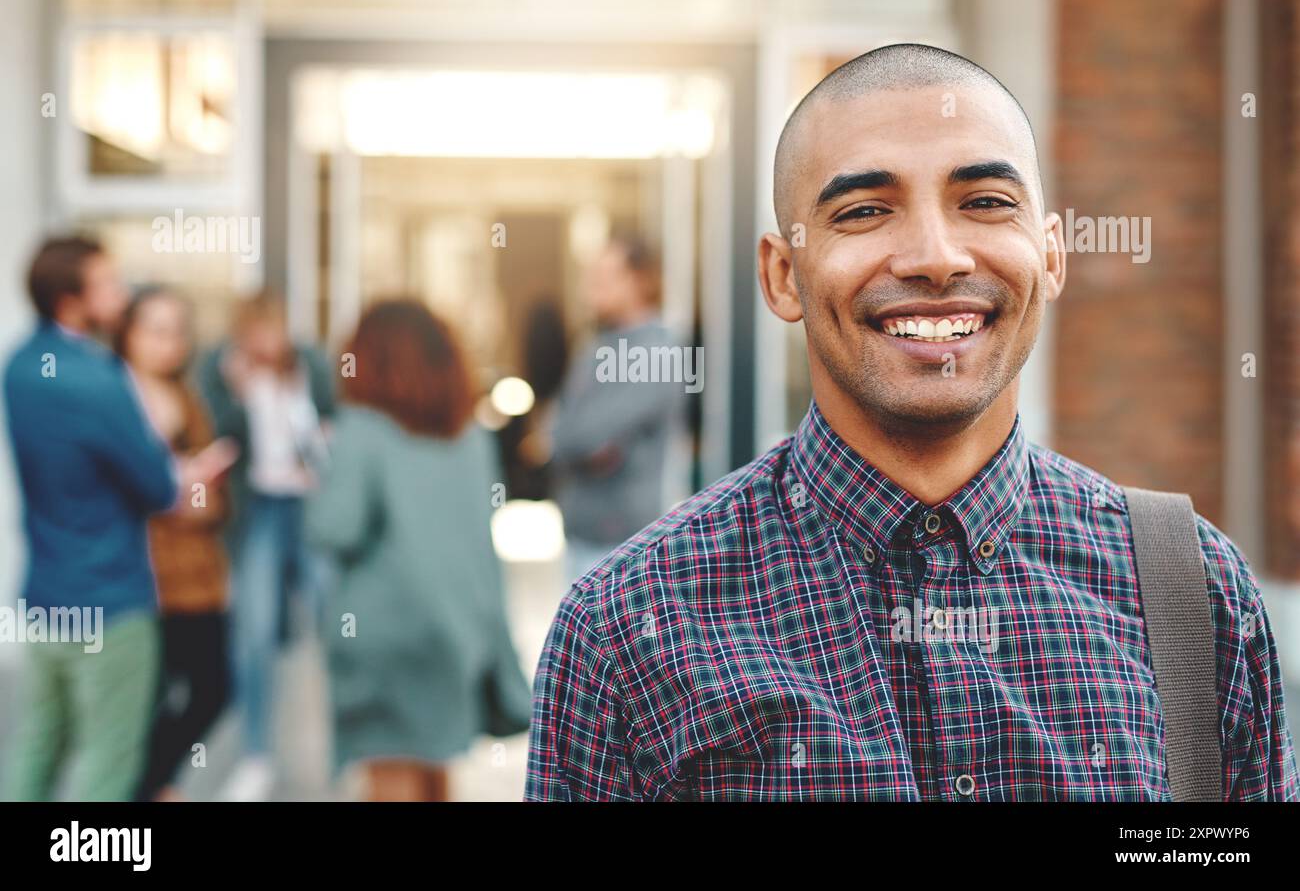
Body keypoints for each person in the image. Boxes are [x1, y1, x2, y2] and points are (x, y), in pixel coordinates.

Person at [525, 44, 1299, 801]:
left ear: (1051, 255)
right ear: (782, 274)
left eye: (986, 202)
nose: (935, 257)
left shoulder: (1195, 593)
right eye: (864, 211)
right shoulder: (627, 629)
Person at [2, 238, 218, 801]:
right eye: (108, 285)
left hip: (47, 595)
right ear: (72, 298)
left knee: (40, 745)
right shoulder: (100, 378)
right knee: (109, 764)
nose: (122, 298)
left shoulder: (21, 367)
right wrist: (188, 477)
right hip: (111, 597)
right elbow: (155, 486)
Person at [305, 300, 531, 801]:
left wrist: (320, 475)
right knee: (434, 771)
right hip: (453, 630)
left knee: (390, 776)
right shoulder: (470, 435)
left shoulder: (363, 430)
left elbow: (335, 529)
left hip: (383, 637)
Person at [196, 291, 335, 801]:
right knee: (253, 629)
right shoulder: (221, 369)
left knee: (333, 618)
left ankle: (344, 746)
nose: (266, 341)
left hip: (309, 507)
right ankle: (257, 754)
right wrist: (239, 394)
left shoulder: (311, 366)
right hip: (258, 510)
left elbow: (330, 431)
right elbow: (216, 438)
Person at [116, 287, 237, 801]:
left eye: (177, 332)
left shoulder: (188, 397)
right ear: (129, 334)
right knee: (144, 699)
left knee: (213, 686)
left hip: (198, 572)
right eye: (155, 331)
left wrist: (203, 499)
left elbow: (214, 499)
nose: (169, 344)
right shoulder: (115, 398)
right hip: (145, 578)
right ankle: (145, 791)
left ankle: (155, 783)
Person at [550, 238, 684, 582]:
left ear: (641, 280)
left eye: (606, 276)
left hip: (622, 543)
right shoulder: (597, 345)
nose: (592, 286)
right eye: (591, 275)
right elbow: (560, 434)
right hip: (580, 535)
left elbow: (580, 438)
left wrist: (571, 439)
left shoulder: (657, 353)